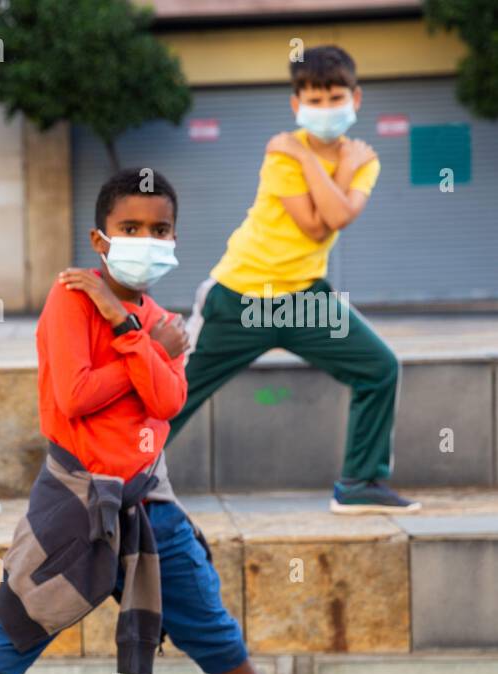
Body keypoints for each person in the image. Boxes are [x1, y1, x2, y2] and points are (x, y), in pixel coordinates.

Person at [0, 169, 383, 674]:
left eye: (159, 230)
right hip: (74, 503)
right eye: (130, 229)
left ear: (175, 238)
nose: (145, 239)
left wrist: (129, 326)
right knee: (4, 646)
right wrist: (141, 345)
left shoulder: (162, 321)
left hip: (151, 505)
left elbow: (169, 400)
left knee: (216, 638)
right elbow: (73, 397)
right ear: (101, 238)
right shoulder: (72, 300)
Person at [168, 45, 418, 514]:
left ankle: (360, 482)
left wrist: (318, 163)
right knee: (174, 394)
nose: (326, 109)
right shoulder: (279, 157)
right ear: (296, 104)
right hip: (241, 296)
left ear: (356, 99)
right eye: (315, 100)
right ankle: (120, 482)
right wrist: (320, 165)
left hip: (304, 299)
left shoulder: (357, 159)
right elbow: (314, 223)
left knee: (380, 368)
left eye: (335, 98)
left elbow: (336, 217)